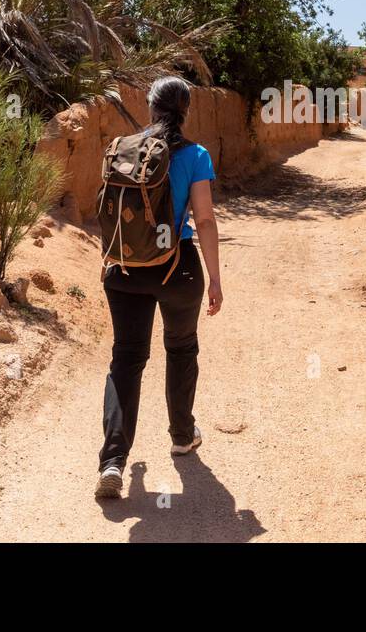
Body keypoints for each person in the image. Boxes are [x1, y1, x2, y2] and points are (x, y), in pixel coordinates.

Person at [96, 76, 224, 500]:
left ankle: (113, 461)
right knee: (181, 347)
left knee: (127, 359)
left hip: (125, 268)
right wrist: (216, 281)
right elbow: (203, 220)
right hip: (176, 266)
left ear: (150, 108)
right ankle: (182, 436)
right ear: (185, 110)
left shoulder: (123, 149)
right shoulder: (196, 155)